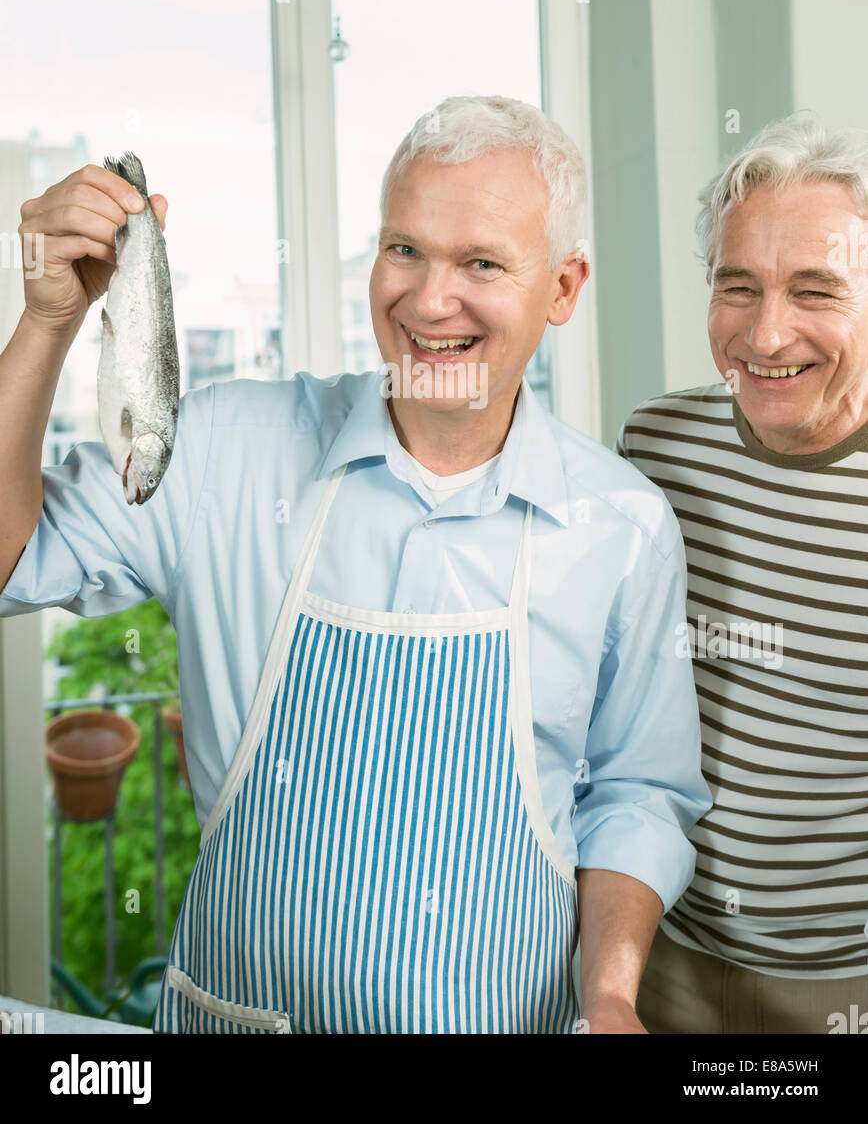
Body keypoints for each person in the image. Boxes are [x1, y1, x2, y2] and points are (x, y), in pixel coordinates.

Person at [0, 94, 710, 1035]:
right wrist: (47, 321)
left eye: (482, 263)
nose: (427, 300)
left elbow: (638, 792)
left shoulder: (622, 525)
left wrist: (611, 994)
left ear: (565, 287)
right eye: (404, 248)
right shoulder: (226, 451)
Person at [617, 112, 868, 1034]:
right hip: (668, 964)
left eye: (815, 291)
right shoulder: (657, 446)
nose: (766, 336)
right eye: (738, 287)